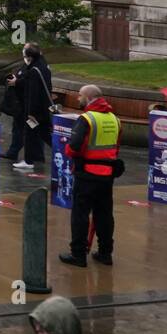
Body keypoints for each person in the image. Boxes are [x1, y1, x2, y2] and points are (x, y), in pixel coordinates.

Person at [59, 84, 122, 268]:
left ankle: (78, 254)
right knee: (104, 215)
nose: (78, 99)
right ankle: (105, 253)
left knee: (80, 215)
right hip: (107, 175)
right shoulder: (115, 119)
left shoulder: (86, 119)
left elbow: (74, 147)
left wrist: (68, 149)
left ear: (88, 97)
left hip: (87, 174)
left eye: (80, 96)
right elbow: (116, 147)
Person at [10, 43, 53, 171]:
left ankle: (28, 161)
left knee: (32, 133)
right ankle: (32, 159)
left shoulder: (34, 71)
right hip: (43, 108)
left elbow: (33, 93)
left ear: (29, 56)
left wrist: (31, 112)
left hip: (35, 111)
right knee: (40, 133)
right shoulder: (43, 66)